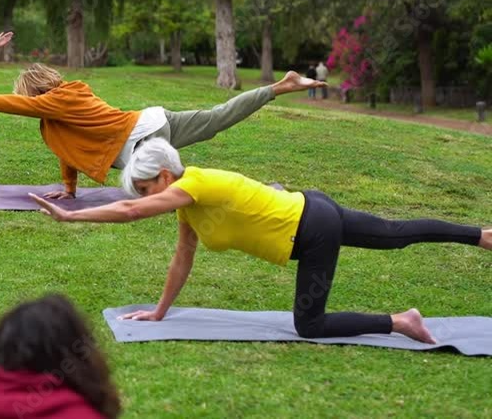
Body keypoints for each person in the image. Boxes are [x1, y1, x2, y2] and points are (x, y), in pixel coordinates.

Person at [31, 139, 491, 343]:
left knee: (308, 325)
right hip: (313, 210)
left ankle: (402, 320)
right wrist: (159, 311)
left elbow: (130, 211)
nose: (149, 200)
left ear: (166, 176)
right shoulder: (191, 206)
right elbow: (181, 260)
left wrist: (74, 217)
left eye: (149, 189)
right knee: (392, 233)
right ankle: (483, 236)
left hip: (312, 230)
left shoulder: (196, 185)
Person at [0, 63, 325, 199]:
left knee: (187, 186)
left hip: (143, 141)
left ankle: (262, 189)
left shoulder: (62, 98)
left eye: (27, 96)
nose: (25, 101)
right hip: (153, 124)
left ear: (36, 91)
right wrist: (70, 189)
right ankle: (278, 87)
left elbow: (20, 106)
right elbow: (67, 151)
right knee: (215, 121)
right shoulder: (55, 116)